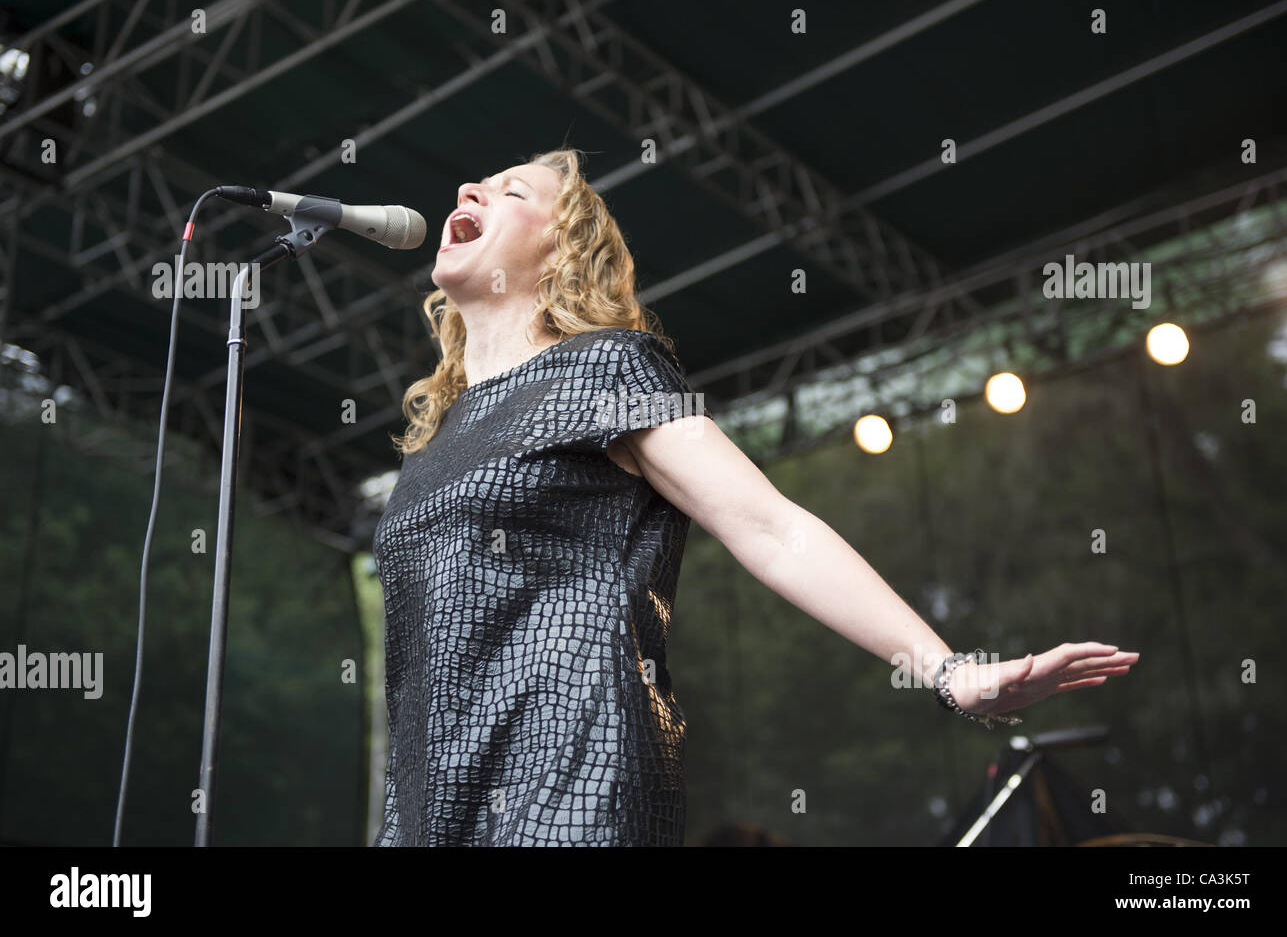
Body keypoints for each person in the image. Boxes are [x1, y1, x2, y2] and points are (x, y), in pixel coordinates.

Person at [370, 147, 1139, 847]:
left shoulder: (604, 369)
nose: (468, 187)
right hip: (429, 806)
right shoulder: (434, 437)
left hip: (570, 784)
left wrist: (947, 669)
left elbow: (771, 528)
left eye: (510, 190)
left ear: (560, 247)